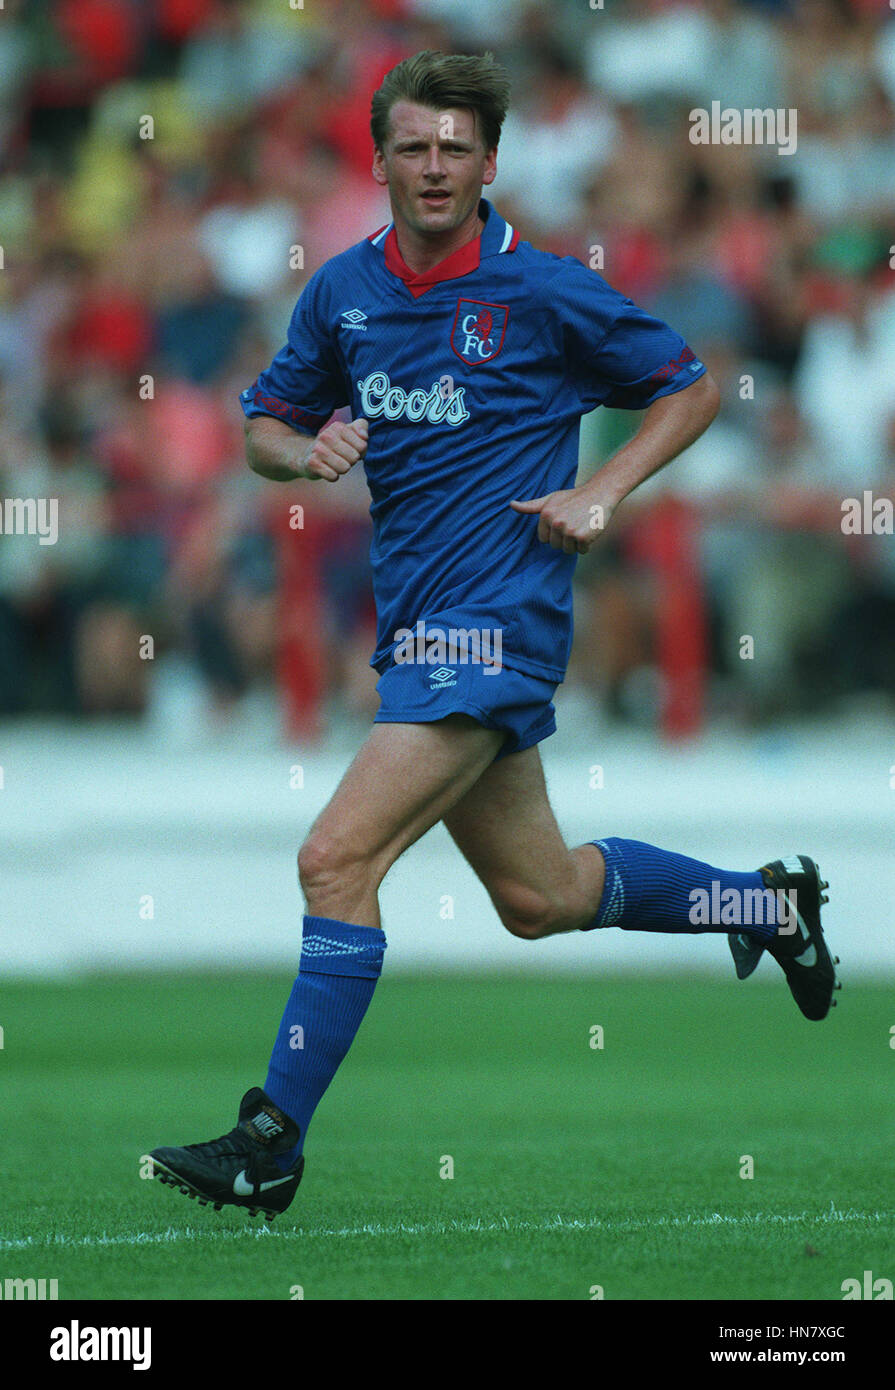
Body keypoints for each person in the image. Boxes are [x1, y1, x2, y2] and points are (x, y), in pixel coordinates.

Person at [149, 51, 840, 1221]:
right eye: (413, 146)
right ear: (378, 159)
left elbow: (688, 385)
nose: (433, 167)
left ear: (489, 163)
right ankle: (763, 904)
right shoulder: (343, 293)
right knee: (540, 895)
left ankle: (269, 1140)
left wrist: (603, 491)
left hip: (494, 630)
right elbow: (264, 422)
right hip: (416, 627)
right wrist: (301, 452)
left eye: (455, 148)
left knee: (335, 857)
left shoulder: (546, 292)